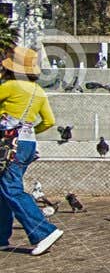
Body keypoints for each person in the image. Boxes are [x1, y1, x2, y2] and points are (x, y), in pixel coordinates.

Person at [0, 48, 63, 256]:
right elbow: (49, 121)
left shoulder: (9, 86)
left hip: (9, 144)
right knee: (3, 189)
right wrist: (27, 130)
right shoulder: (38, 91)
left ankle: (44, 232)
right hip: (28, 144)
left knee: (11, 188)